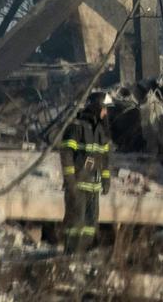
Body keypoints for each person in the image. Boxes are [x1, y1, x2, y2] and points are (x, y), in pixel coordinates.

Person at [61, 91, 114, 252]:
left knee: (91, 225)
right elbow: (66, 154)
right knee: (75, 224)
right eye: (104, 109)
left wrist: (106, 180)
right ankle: (70, 255)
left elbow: (105, 158)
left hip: (94, 188)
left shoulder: (100, 131)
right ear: (96, 107)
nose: (106, 113)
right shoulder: (76, 128)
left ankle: (85, 254)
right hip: (77, 186)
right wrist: (70, 180)